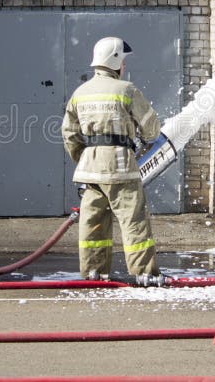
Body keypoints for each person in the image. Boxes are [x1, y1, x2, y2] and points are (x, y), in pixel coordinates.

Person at [62, 37, 162, 283]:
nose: (124, 66)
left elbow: (69, 134)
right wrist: (142, 138)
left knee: (93, 223)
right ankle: (144, 273)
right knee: (133, 221)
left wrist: (85, 157)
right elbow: (152, 129)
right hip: (121, 169)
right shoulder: (127, 90)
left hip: (89, 170)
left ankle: (94, 272)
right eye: (123, 61)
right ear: (116, 61)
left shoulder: (80, 93)